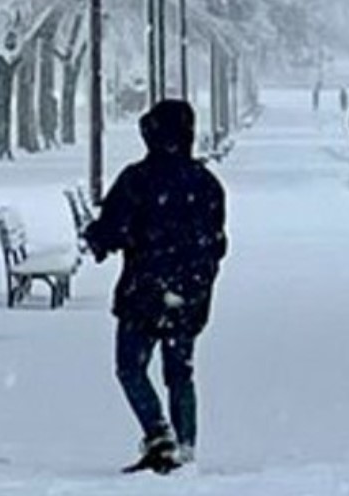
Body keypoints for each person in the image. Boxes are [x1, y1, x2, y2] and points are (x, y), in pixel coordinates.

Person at [81, 100, 229, 474]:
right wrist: (195, 279)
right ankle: (185, 444)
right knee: (180, 372)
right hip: (188, 294)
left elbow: (114, 228)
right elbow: (216, 242)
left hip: (143, 293)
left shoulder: (137, 180)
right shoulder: (206, 184)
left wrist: (99, 238)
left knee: (130, 367)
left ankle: (159, 432)